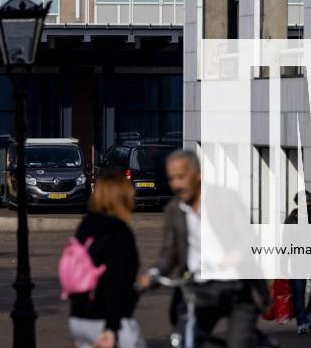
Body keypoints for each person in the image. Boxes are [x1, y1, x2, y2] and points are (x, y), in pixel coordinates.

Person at [138, 149, 268, 348]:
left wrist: (237, 254)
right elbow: (169, 254)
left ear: (197, 174)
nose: (176, 185)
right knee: (186, 339)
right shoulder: (174, 209)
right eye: (171, 179)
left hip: (236, 287)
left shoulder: (226, 199)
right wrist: (154, 273)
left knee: (238, 343)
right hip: (199, 290)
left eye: (181, 177)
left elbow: (248, 237)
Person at [67, 175, 146, 348]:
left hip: (79, 319)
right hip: (107, 321)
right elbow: (116, 281)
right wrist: (111, 327)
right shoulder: (119, 232)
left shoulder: (86, 225)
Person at [284, 191, 311, 335]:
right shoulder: (291, 220)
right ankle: (302, 323)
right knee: (298, 293)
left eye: (309, 201)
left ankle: (309, 314)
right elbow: (285, 244)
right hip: (297, 262)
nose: (307, 204)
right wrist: (282, 266)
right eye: (304, 201)